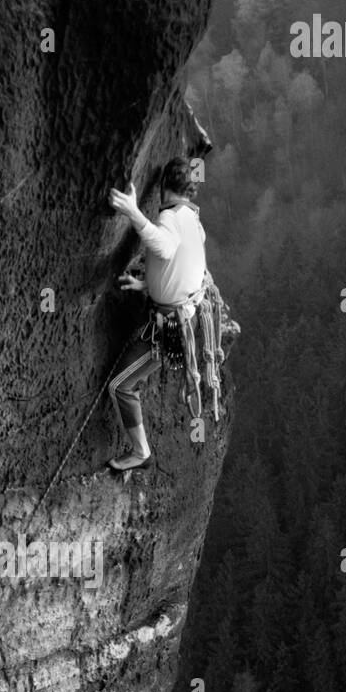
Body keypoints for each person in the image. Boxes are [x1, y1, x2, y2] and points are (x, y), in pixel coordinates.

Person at [105, 157, 208, 471]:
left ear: (164, 188)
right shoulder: (193, 220)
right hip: (182, 320)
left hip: (170, 325)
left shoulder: (171, 217)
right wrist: (145, 285)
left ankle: (140, 452)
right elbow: (181, 266)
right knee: (132, 377)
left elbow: (163, 249)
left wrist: (132, 211)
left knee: (118, 385)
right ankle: (139, 444)